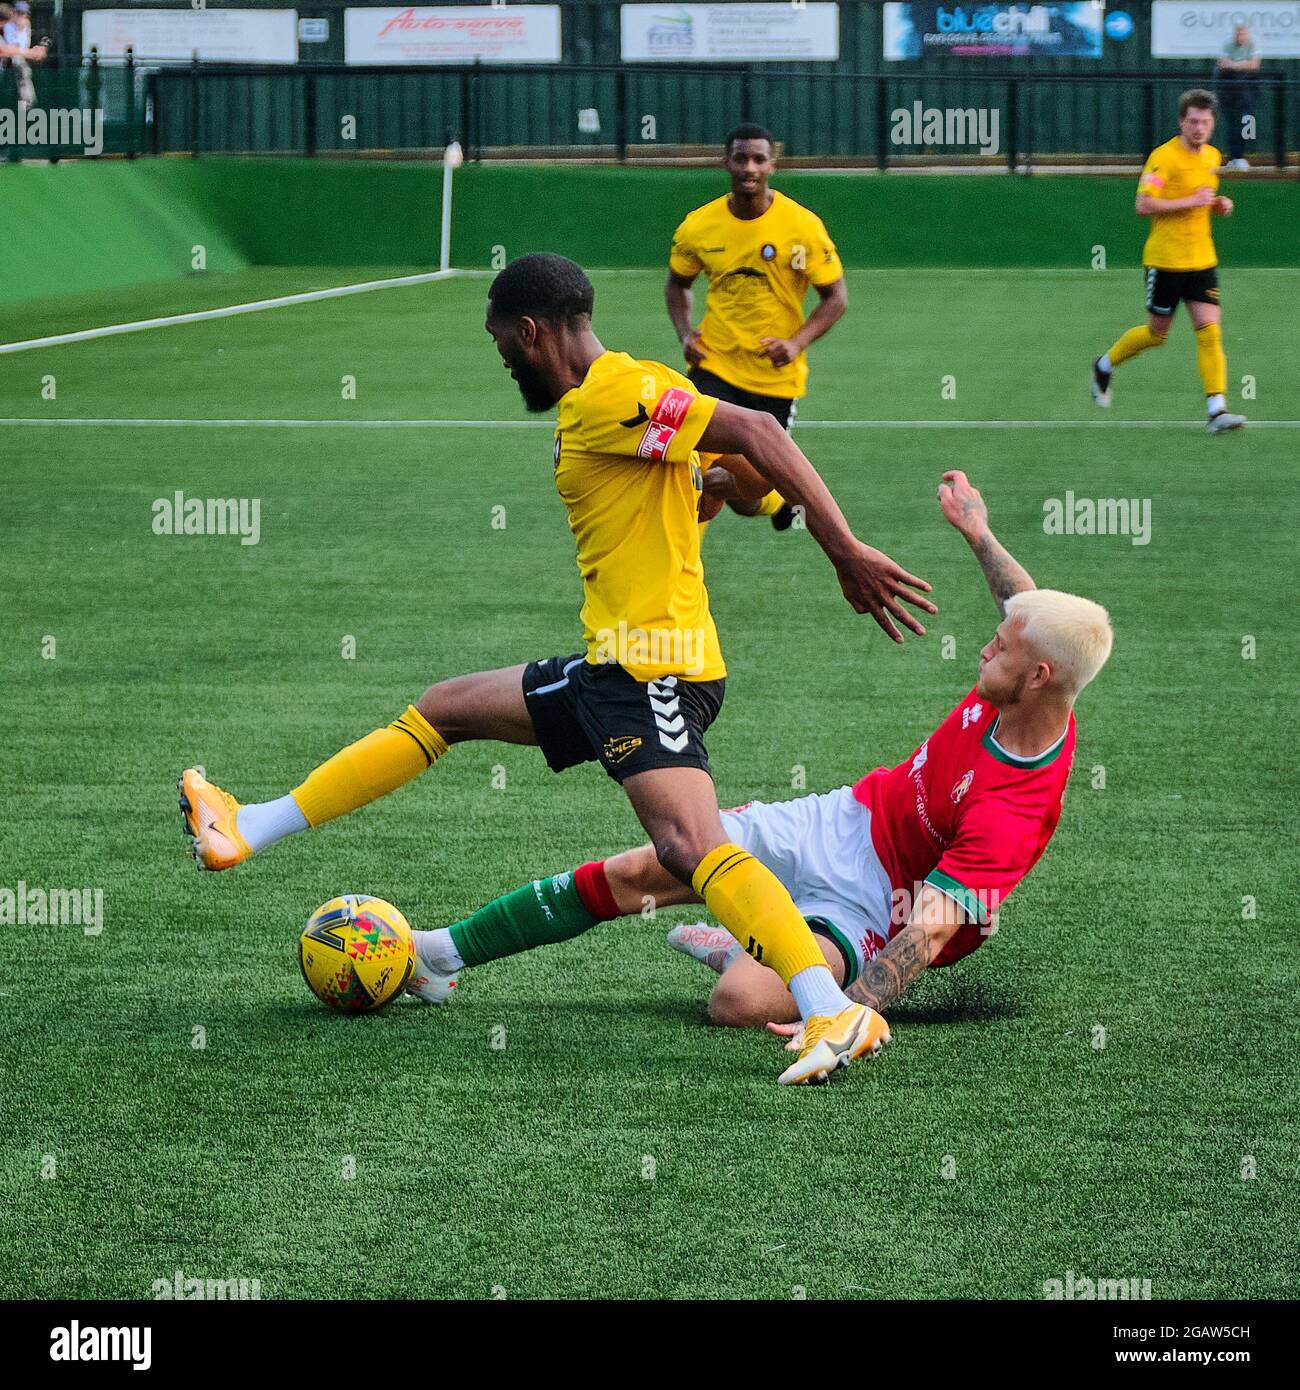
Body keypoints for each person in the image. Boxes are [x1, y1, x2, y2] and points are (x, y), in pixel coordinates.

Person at [177, 253, 937, 1087]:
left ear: (531, 330)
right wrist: (730, 490)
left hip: (653, 670)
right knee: (445, 709)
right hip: (612, 663)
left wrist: (844, 551)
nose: (501, 356)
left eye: (502, 341)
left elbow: (759, 431)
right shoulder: (632, 385)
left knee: (689, 842)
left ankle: (828, 1005)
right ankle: (247, 829)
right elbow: (735, 466)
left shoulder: (609, 395)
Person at [403, 472, 1112, 1070]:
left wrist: (849, 1019)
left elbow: (924, 933)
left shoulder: (1014, 810)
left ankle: (750, 938)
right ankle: (441, 955)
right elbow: (1025, 606)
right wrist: (976, 531)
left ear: (1038, 678)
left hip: (872, 909)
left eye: (1000, 648)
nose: (985, 648)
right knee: (639, 871)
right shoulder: (1034, 680)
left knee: (736, 1002)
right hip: (843, 821)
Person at [666, 123, 847, 532]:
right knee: (693, 468)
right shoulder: (699, 226)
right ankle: (678, 573)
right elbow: (678, 284)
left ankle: (771, 500)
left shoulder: (801, 227)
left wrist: (797, 342)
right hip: (715, 366)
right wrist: (684, 333)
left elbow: (835, 297)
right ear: (725, 161)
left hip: (774, 380)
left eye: (759, 159)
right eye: (741, 158)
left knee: (748, 496)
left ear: (772, 165)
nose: (749, 167)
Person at [1091, 89, 1245, 435]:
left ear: (1213, 124)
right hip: (1165, 261)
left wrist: (1216, 205)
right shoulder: (1163, 158)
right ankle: (1103, 365)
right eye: (1193, 121)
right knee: (1157, 335)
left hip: (1202, 259)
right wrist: (1192, 201)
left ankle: (1216, 410)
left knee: (1210, 333)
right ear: (1181, 122)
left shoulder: (1212, 156)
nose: (1199, 128)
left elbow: (1200, 199)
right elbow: (1143, 205)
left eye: (1206, 122)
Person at [1216, 24, 1260, 171]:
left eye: (1243, 35)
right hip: (1229, 91)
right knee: (1231, 124)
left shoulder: (1253, 44)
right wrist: (1243, 65)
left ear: (1247, 35)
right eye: (1238, 35)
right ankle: (1233, 158)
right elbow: (1222, 64)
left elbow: (1254, 65)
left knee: (1246, 124)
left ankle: (1241, 157)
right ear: (1235, 35)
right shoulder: (1227, 45)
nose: (1240, 38)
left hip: (1247, 92)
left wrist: (1233, 65)